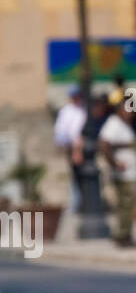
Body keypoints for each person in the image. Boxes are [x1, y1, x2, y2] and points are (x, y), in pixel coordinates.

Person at [98, 97, 136, 247]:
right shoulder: (113, 124)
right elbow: (104, 145)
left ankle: (126, 233)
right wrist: (115, 163)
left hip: (130, 172)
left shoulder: (124, 125)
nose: (131, 113)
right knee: (125, 203)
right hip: (123, 173)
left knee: (128, 204)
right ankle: (123, 235)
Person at [54, 85, 87, 213]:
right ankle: (77, 203)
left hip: (84, 146)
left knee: (85, 175)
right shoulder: (66, 111)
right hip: (72, 147)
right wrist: (70, 147)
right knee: (76, 176)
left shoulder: (84, 108)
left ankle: (84, 202)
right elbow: (62, 131)